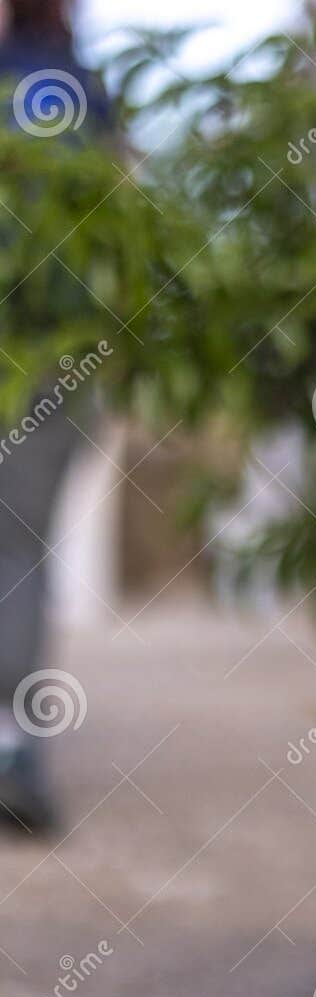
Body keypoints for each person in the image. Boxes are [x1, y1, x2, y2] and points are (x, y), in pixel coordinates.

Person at [0, 0, 111, 834]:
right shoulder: (78, 86)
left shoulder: (51, 86)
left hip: (38, 355)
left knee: (15, 548)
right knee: (18, 548)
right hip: (56, 357)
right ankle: (14, 753)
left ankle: (14, 752)